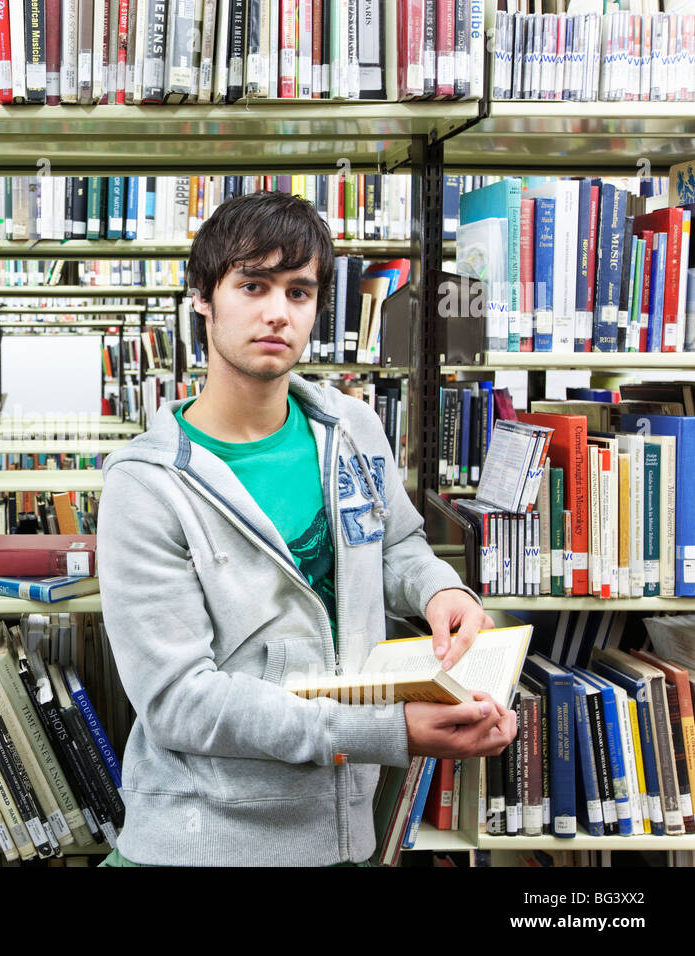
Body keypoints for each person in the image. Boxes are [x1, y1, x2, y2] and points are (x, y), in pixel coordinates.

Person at [95, 191, 518, 866]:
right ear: (202, 297)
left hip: (344, 834)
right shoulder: (146, 484)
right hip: (204, 842)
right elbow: (181, 703)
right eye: (252, 285)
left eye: (299, 292)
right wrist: (390, 731)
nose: (276, 313)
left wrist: (443, 592)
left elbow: (396, 544)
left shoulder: (351, 428)